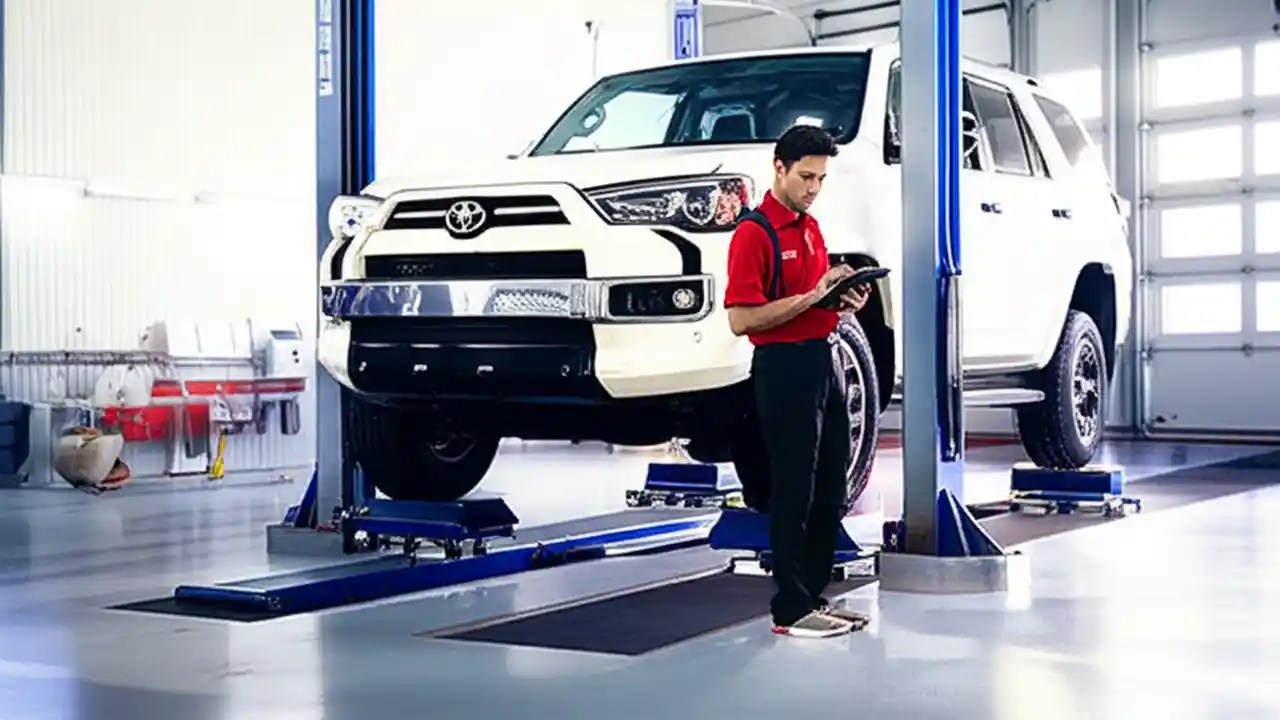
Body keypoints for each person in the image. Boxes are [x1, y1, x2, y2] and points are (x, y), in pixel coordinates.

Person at [723, 124, 871, 639]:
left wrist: (842, 296)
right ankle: (788, 607)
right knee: (795, 490)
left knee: (831, 489)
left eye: (821, 178)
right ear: (779, 168)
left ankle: (812, 598)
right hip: (783, 369)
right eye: (805, 176)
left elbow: (812, 298)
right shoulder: (754, 234)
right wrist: (813, 298)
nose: (812, 187)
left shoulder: (811, 229)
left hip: (823, 360)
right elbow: (742, 319)